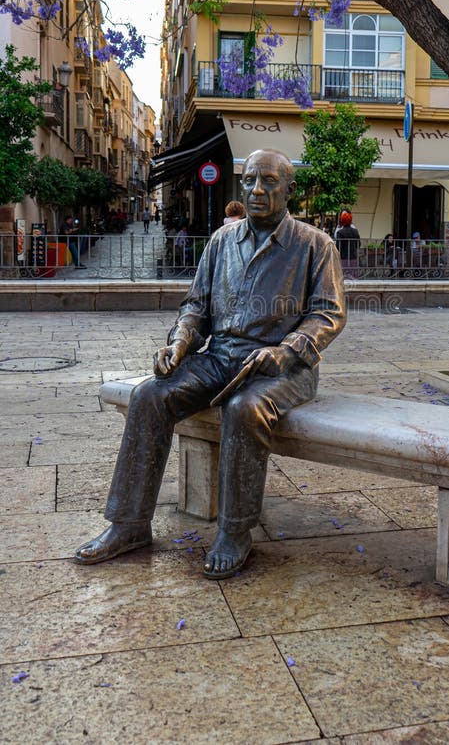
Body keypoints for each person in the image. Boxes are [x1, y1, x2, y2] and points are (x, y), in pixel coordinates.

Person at [75, 149, 346, 579]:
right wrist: (180, 344)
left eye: (269, 182)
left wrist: (286, 349)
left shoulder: (315, 245)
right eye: (250, 180)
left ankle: (235, 531)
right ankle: (128, 524)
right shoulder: (222, 242)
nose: (257, 190)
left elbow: (328, 314)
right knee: (149, 395)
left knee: (244, 408)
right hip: (219, 356)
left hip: (282, 367)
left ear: (290, 191)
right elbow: (196, 307)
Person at [334, 210, 361, 278]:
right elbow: (359, 244)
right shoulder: (355, 231)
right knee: (353, 278)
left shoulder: (340, 232)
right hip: (353, 257)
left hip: (343, 258)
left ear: (342, 220)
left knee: (343, 277)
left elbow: (338, 246)